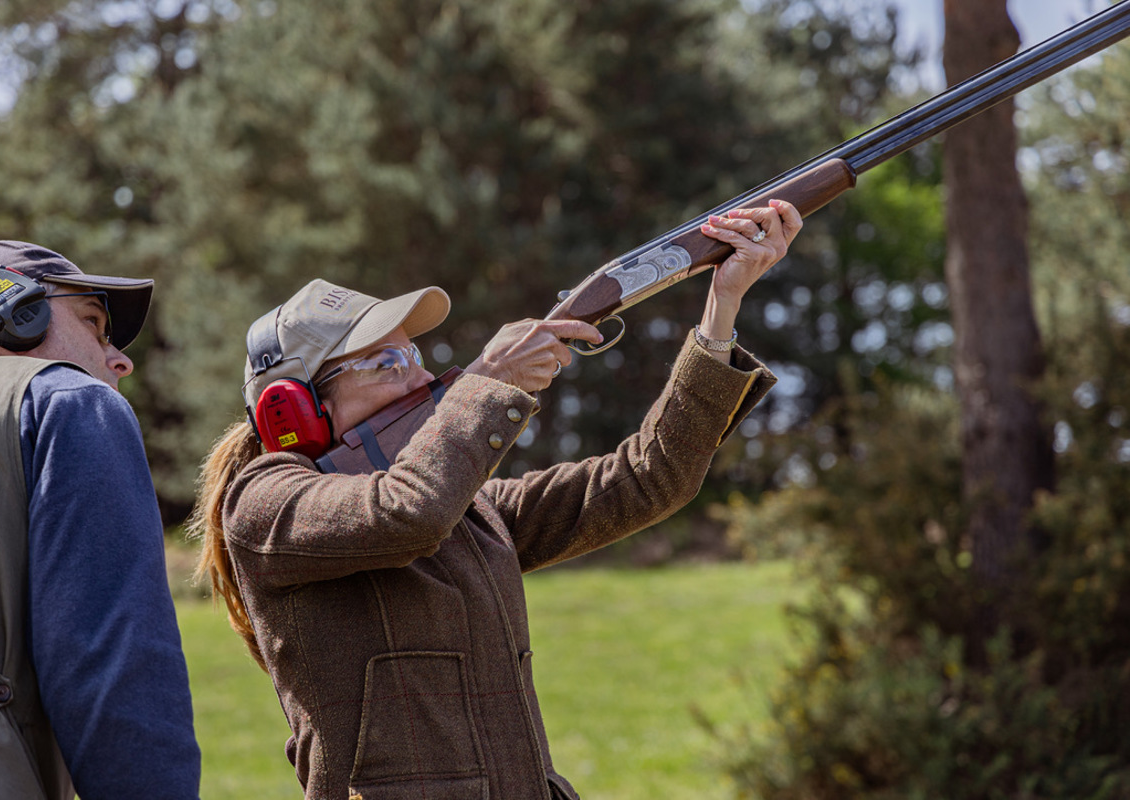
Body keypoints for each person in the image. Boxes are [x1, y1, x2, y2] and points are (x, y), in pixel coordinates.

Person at [192, 200, 801, 799]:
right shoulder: (263, 500)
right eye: (384, 363)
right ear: (293, 409)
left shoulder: (467, 508)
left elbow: (649, 477)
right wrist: (490, 382)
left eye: (412, 356)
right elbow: (408, 512)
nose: (421, 379)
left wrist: (721, 309)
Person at [0, 241, 201, 799]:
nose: (120, 359)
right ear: (10, 309)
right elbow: (115, 674)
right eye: (95, 324)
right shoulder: (64, 401)